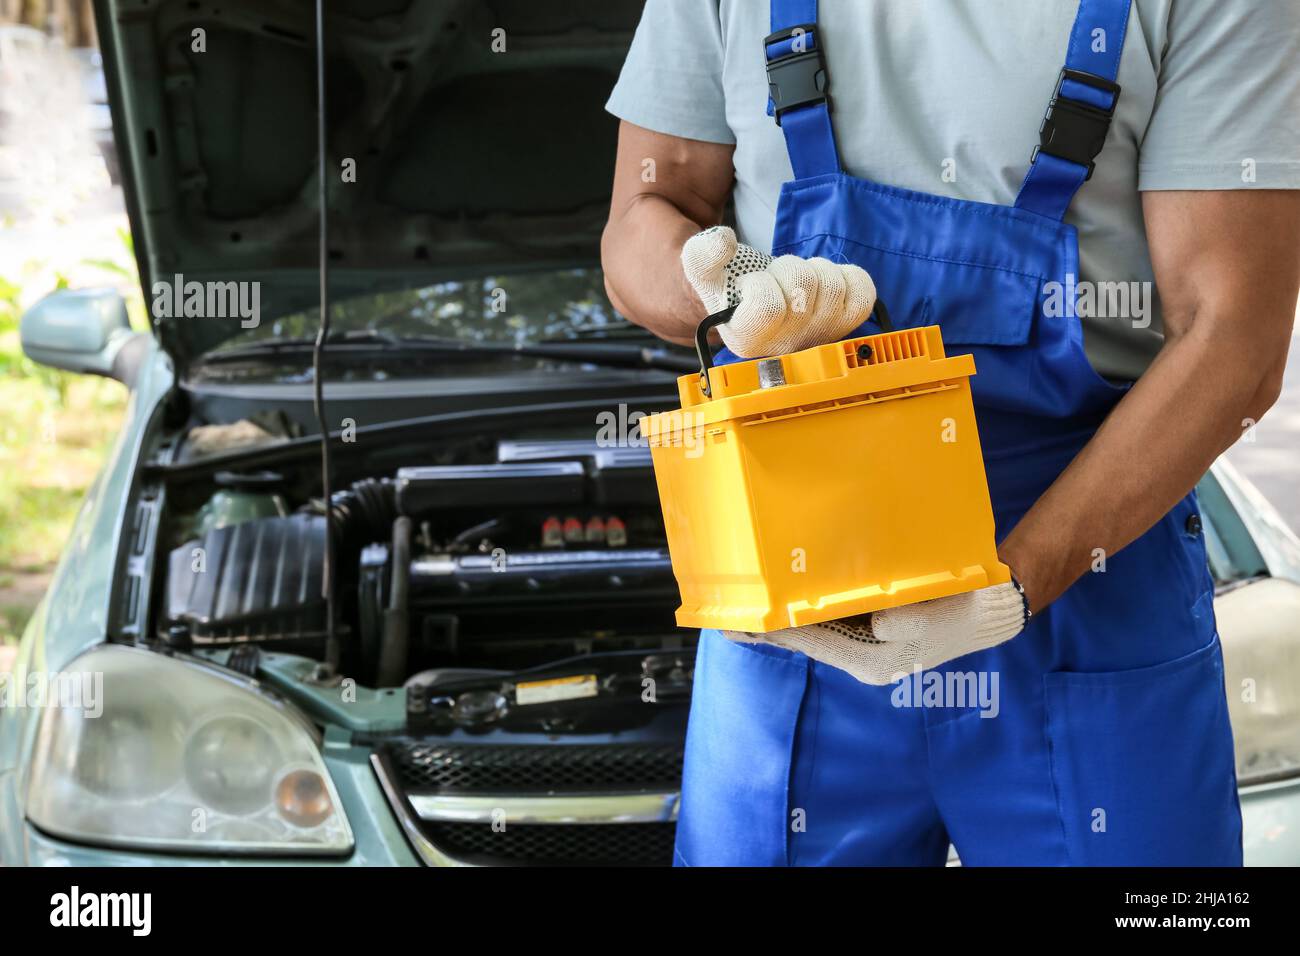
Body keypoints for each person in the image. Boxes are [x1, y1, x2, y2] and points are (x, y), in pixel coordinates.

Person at [601, 0, 1300, 865]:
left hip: (1088, 578)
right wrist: (735, 294)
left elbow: (1234, 338)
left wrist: (1009, 584)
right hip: (794, 595)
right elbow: (645, 213)